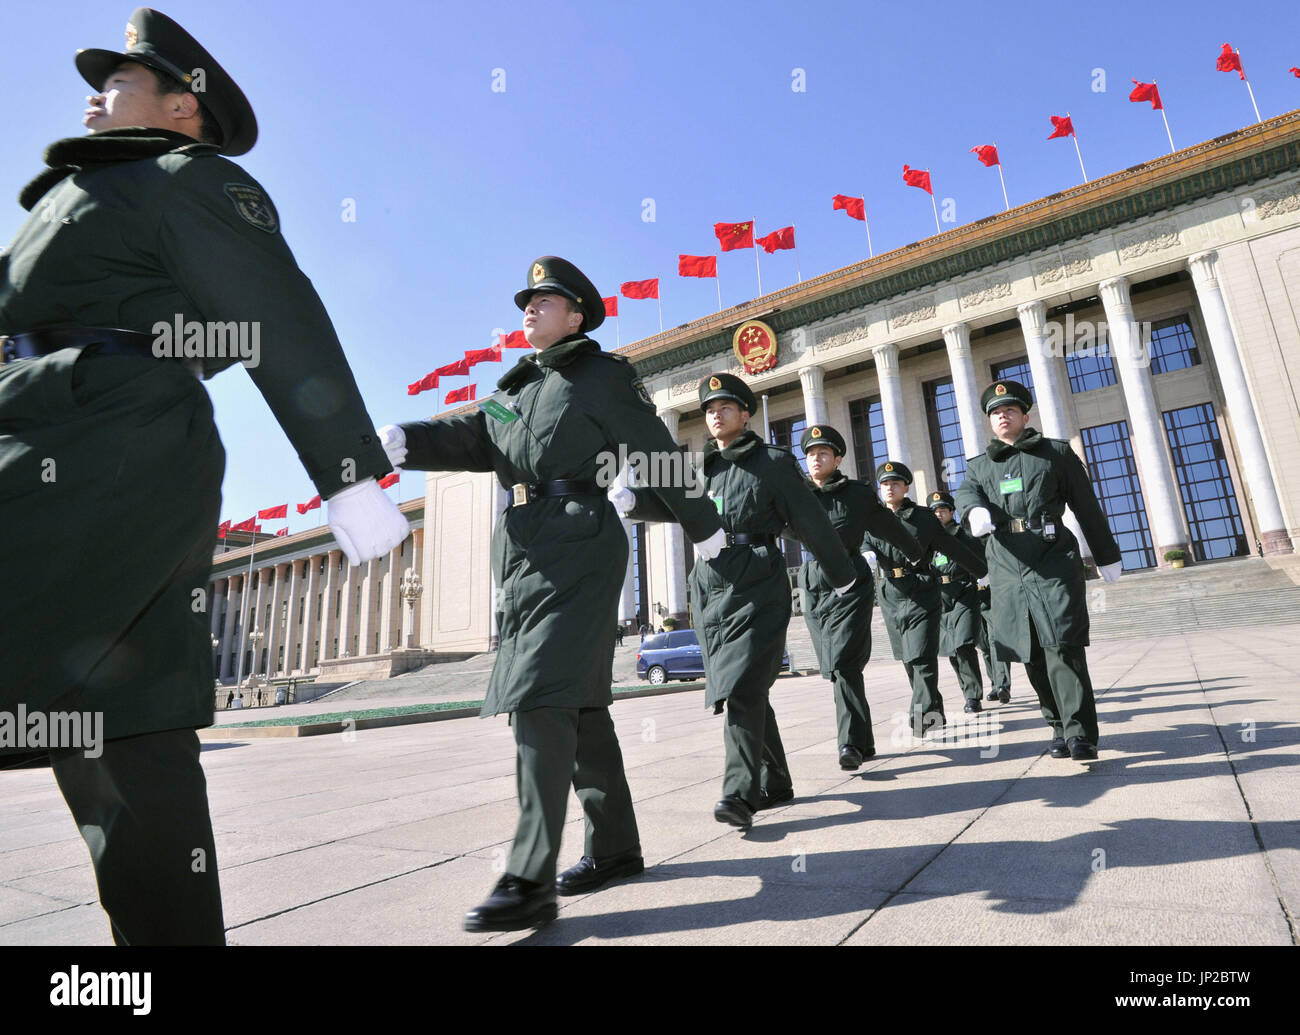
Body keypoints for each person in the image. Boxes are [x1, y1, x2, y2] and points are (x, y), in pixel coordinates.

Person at [0, 9, 407, 945]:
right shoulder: (82, 190)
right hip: (53, 428)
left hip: (103, 448)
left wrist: (348, 478)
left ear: (183, 105)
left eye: (121, 79)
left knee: (117, 718)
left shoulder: (185, 178)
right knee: (122, 729)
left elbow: (273, 312)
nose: (93, 93)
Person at [381, 257, 723, 931]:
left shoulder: (601, 376)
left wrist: (704, 526)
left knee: (539, 692)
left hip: (582, 547)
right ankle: (616, 847)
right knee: (582, 707)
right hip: (525, 554)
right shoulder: (515, 386)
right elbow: (474, 434)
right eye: (526, 302)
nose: (529, 309)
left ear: (577, 314)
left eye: (545, 300)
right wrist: (403, 440)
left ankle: (528, 876)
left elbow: (654, 449)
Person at [617, 375, 857, 830]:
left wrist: (841, 574)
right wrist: (633, 502)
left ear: (745, 414)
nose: (716, 414)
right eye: (709, 409)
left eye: (726, 406)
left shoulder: (773, 463)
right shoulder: (699, 469)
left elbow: (810, 520)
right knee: (740, 687)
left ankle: (738, 792)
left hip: (758, 582)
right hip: (710, 587)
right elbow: (674, 505)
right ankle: (777, 780)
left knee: (744, 684)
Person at [955, 379, 1122, 761]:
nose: (1003, 416)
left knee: (1062, 643)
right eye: (996, 413)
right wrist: (973, 510)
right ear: (990, 422)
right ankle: (1058, 727)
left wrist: (1106, 554)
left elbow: (1086, 505)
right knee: (1028, 651)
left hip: (1052, 559)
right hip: (1007, 567)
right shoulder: (981, 466)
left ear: (1025, 416)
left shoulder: (1056, 454)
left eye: (1010, 410)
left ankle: (1081, 733)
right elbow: (965, 492)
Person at [793, 425, 920, 770]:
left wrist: (916, 554)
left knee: (843, 662)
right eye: (810, 454)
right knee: (837, 669)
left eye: (823, 453)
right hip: (813, 583)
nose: (815, 459)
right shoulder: (796, 495)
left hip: (849, 578)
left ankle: (848, 744)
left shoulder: (858, 494)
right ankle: (864, 742)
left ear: (837, 459)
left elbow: (889, 528)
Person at [864, 462, 986, 736]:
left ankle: (920, 714)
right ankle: (934, 713)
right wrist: (866, 555)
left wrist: (982, 572)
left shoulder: (922, 517)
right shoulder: (871, 518)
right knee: (908, 658)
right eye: (885, 484)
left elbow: (952, 546)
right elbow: (864, 543)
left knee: (921, 655)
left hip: (921, 589)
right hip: (891, 594)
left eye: (895, 483)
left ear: (906, 487)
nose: (890, 488)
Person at [926, 491, 993, 713]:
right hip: (939, 597)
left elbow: (981, 560)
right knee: (952, 650)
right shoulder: (926, 539)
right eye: (934, 511)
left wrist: (983, 584)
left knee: (964, 643)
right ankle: (968, 693)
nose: (938, 514)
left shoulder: (964, 536)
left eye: (943, 510)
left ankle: (974, 696)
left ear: (952, 512)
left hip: (964, 592)